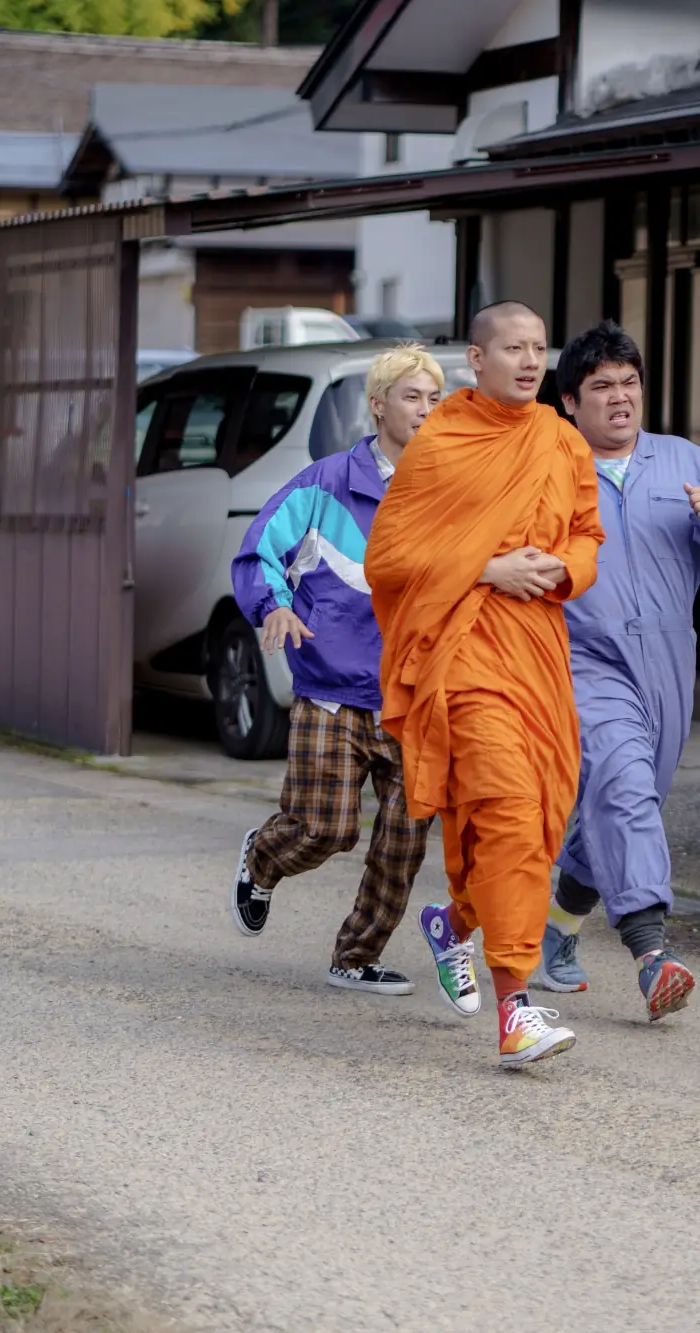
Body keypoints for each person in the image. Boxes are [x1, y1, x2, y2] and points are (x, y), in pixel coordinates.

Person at [364, 301, 606, 1069]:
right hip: (461, 650)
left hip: (536, 650)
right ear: (478, 358)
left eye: (540, 347)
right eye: (514, 348)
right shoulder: (442, 442)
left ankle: (456, 923)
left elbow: (587, 533)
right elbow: (390, 559)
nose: (531, 361)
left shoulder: (564, 441)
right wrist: (484, 566)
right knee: (504, 806)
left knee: (537, 820)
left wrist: (564, 569)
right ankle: (515, 1008)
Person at [528, 321, 700, 1018]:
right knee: (623, 785)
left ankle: (560, 927)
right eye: (602, 386)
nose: (620, 398)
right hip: (584, 656)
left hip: (667, 658)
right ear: (570, 402)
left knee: (629, 799)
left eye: (629, 383)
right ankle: (651, 953)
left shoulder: (684, 461)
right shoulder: (547, 469)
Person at [226, 343, 444, 995]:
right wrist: (276, 605)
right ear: (377, 406)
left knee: (404, 838)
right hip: (330, 691)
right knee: (326, 828)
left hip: (411, 697)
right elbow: (260, 549)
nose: (426, 410)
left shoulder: (448, 490)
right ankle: (263, 857)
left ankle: (356, 954)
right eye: (412, 397)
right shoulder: (324, 485)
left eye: (435, 398)